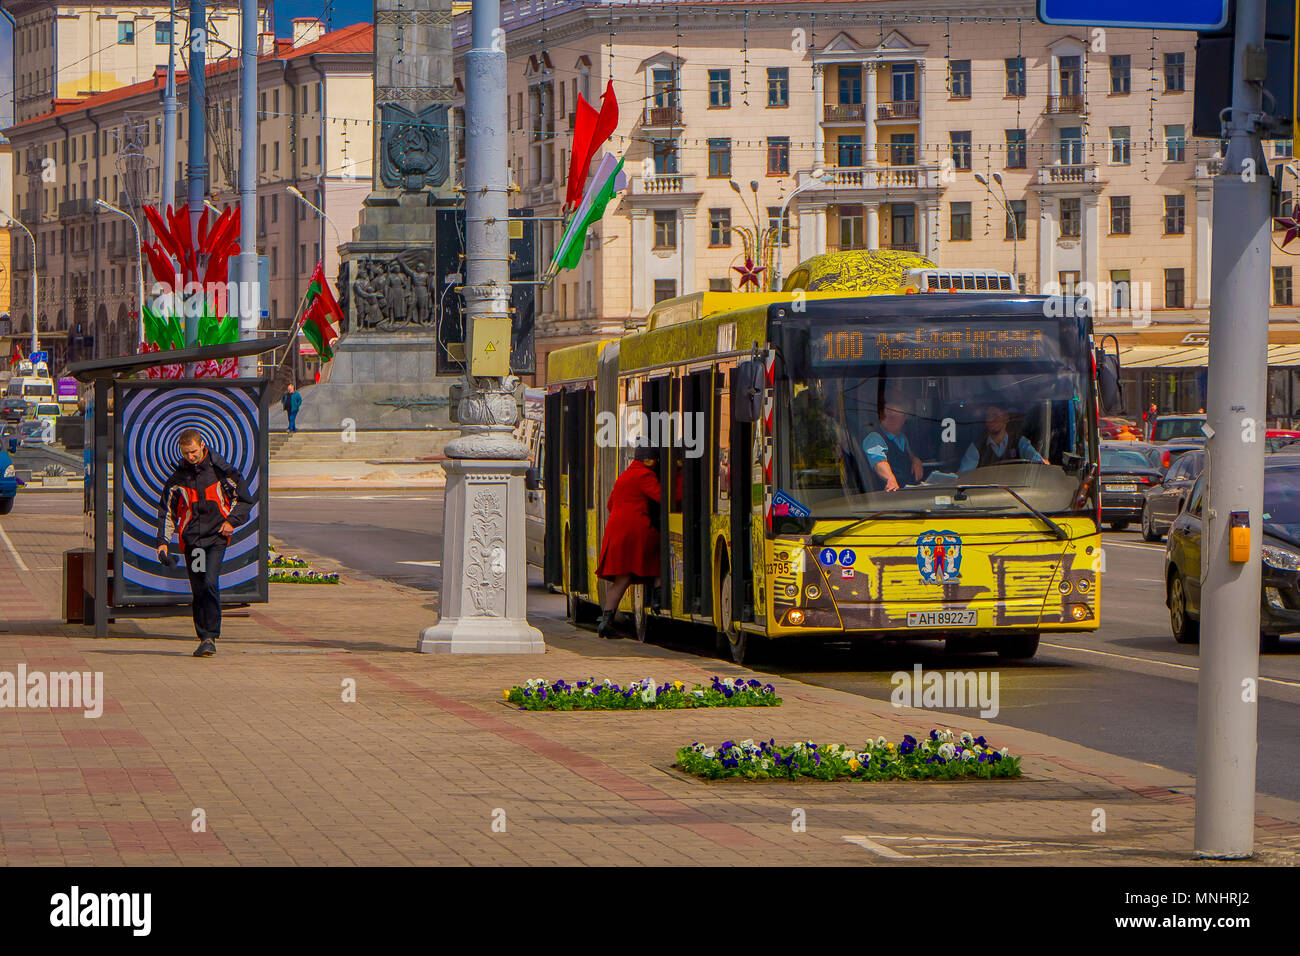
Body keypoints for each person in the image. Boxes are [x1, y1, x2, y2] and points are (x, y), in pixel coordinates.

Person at [154, 429, 254, 657]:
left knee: (210, 581)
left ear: (203, 446)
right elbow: (167, 512)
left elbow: (245, 500)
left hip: (216, 538)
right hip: (195, 544)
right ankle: (204, 639)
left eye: (194, 452)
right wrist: (163, 542)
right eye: (186, 453)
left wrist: (232, 522)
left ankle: (211, 634)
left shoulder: (221, 471)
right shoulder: (178, 479)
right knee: (199, 587)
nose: (190, 457)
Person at [594, 445, 662, 638]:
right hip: (635, 531)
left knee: (622, 579)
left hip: (616, 532)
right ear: (649, 460)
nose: (656, 464)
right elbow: (661, 496)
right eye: (655, 460)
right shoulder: (644, 475)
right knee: (660, 554)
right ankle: (658, 599)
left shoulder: (624, 476)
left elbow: (610, 504)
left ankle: (606, 622)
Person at [958, 403, 1044, 472]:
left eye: (995, 415)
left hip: (1017, 492)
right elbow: (965, 475)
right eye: (988, 416)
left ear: (1006, 418)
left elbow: (1038, 462)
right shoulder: (977, 447)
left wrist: (1041, 463)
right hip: (987, 492)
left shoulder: (1019, 442)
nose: (991, 419)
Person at [862, 401, 924, 491]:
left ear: (903, 419)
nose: (890, 419)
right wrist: (889, 478)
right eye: (886, 415)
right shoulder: (874, 437)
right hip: (887, 494)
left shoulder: (902, 437)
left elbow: (908, 453)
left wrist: (915, 459)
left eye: (895, 416)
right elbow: (879, 462)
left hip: (906, 491)